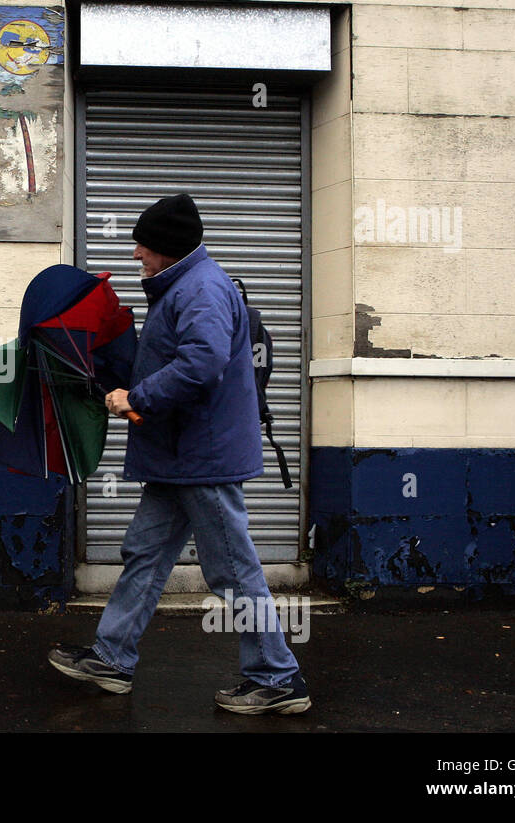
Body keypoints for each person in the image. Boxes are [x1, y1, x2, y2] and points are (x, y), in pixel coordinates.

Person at [47, 193, 310, 715]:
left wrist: (135, 398)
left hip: (201, 459)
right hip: (178, 455)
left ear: (167, 248)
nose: (136, 254)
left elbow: (202, 362)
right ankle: (112, 657)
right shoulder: (181, 287)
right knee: (145, 553)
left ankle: (278, 678)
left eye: (143, 245)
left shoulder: (202, 289)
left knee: (233, 570)